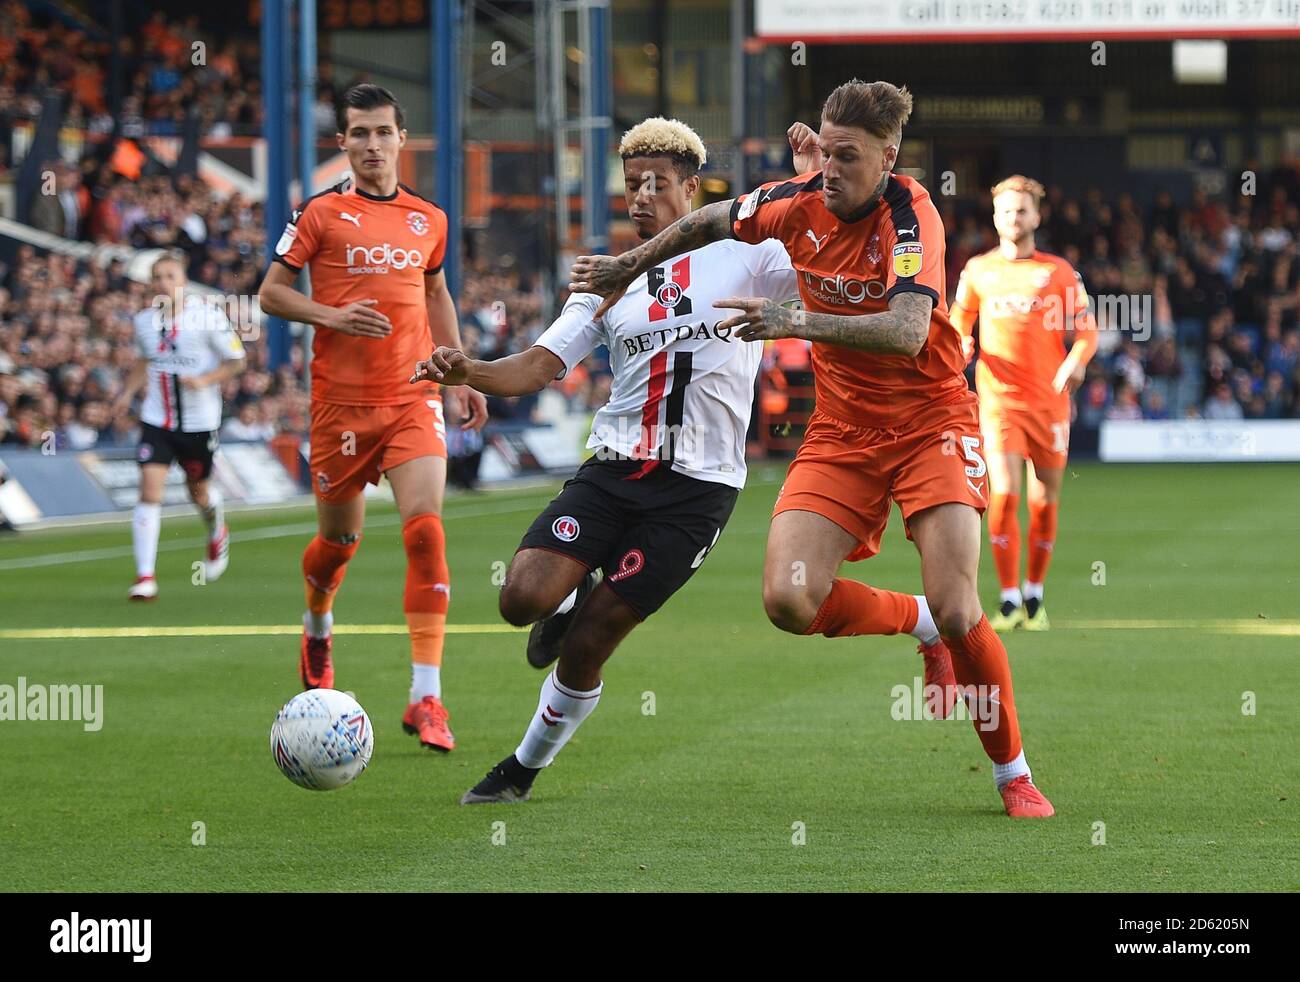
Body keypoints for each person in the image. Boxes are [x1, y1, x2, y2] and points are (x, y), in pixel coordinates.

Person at [413, 116, 952, 805]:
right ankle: (570, 593)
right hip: (614, 469)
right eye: (631, 185)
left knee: (590, 644)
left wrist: (818, 176)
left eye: (656, 183)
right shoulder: (610, 279)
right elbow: (536, 367)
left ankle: (519, 770)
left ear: (692, 189)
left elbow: (827, 240)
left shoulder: (750, 256)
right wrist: (466, 370)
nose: (639, 196)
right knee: (520, 599)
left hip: (696, 491)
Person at [569, 80, 1054, 818]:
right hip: (843, 432)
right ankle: (910, 619)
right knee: (788, 600)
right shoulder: (794, 200)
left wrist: (794, 318)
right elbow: (705, 221)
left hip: (931, 422)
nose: (830, 168)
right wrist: (624, 268)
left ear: (888, 158)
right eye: (825, 151)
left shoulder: (910, 215)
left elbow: (906, 332)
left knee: (962, 611)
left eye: (848, 156)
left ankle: (1012, 773)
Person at [257, 83, 488, 753]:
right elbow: (269, 294)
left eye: (383, 132)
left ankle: (425, 698)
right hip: (340, 408)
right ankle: (319, 624)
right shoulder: (318, 215)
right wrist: (330, 315)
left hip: (412, 397)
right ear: (343, 142)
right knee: (339, 548)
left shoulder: (429, 219)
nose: (372, 145)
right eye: (359, 133)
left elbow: (436, 290)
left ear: (401, 138)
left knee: (426, 533)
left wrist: (459, 373)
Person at [949, 176, 1098, 631]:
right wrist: (962, 344)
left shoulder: (1058, 272)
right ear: (995, 217)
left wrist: (1075, 360)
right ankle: (1009, 598)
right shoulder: (978, 270)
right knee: (1005, 492)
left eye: (1022, 210)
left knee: (1043, 499)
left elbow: (1087, 331)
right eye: (1007, 210)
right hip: (999, 402)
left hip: (1050, 403)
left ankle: (1035, 593)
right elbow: (960, 320)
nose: (1014, 217)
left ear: (1037, 216)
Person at [113, 251, 244, 600]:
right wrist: (127, 393)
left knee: (198, 492)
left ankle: (216, 529)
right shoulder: (143, 321)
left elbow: (236, 361)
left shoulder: (207, 318)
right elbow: (145, 358)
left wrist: (205, 379)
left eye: (170, 276)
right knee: (149, 492)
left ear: (183, 282)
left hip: (199, 424)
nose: (163, 283)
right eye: (157, 277)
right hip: (157, 420)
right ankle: (145, 577)